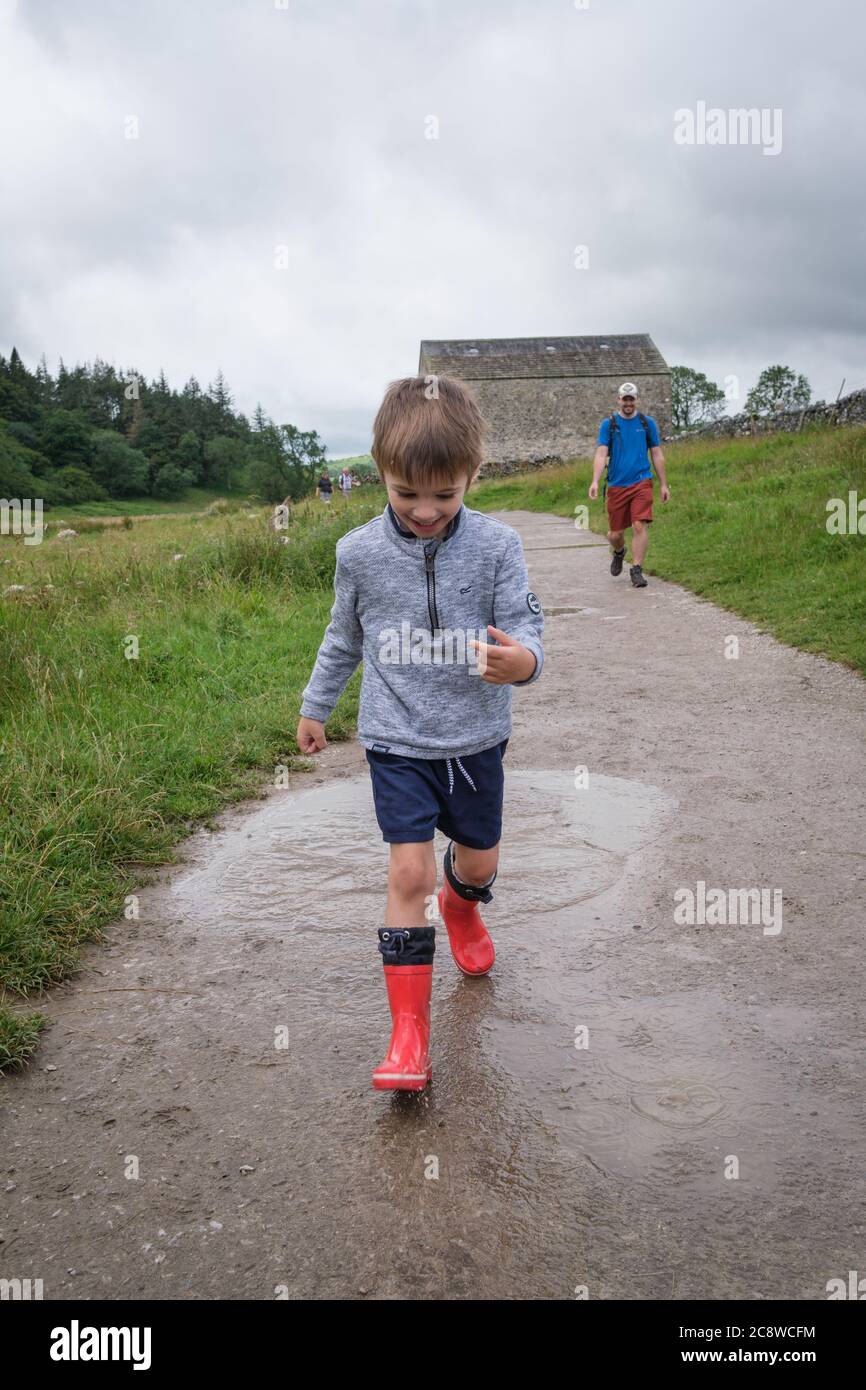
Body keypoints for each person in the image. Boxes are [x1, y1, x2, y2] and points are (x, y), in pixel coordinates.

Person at [296, 375, 544, 1092]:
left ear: (472, 475)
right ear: (381, 473)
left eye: (446, 494)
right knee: (405, 871)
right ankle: (408, 1036)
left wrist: (522, 661)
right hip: (396, 740)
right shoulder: (358, 552)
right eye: (407, 494)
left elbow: (526, 625)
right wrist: (318, 705)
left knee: (477, 860)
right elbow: (342, 638)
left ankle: (462, 907)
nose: (426, 511)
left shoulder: (499, 546)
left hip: (474, 741)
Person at [588, 382, 670, 587]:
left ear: (637, 400)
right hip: (617, 484)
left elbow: (657, 453)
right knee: (615, 534)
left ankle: (636, 569)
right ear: (619, 400)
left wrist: (663, 484)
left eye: (631, 399)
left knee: (638, 524)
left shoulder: (646, 423)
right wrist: (595, 481)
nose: (628, 403)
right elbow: (601, 453)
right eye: (625, 399)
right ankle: (619, 551)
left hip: (641, 481)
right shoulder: (609, 424)